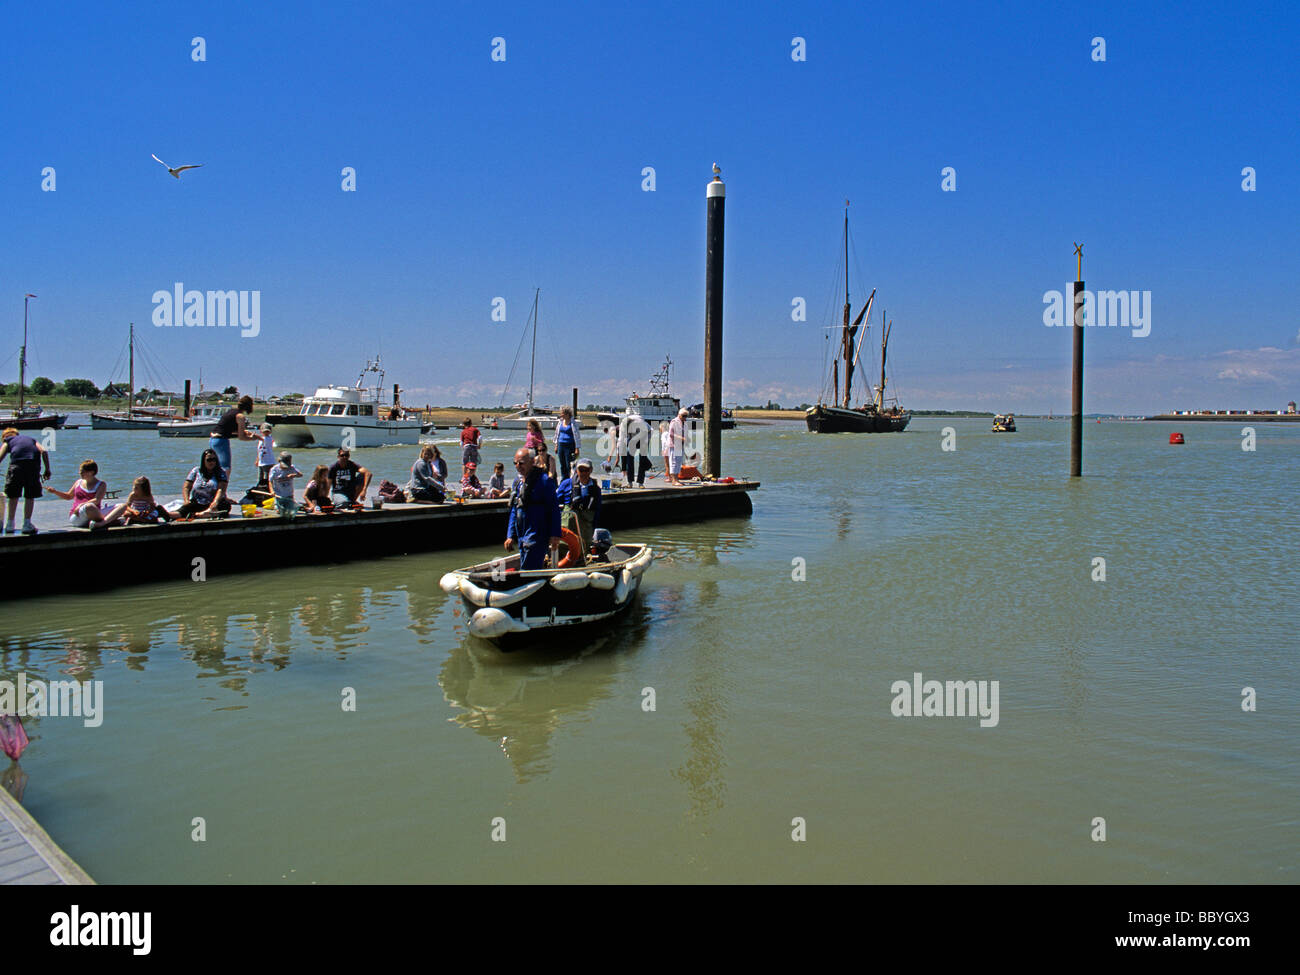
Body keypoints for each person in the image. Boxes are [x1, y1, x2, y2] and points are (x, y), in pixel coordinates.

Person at [504, 447, 561, 570]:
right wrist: (510, 535)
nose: (518, 466)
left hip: (537, 533)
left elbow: (554, 509)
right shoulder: (518, 482)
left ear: (532, 462)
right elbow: (515, 509)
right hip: (522, 534)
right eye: (515, 463)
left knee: (530, 568)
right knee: (526, 563)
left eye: (521, 463)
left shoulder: (544, 481)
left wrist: (555, 535)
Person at [0, 427, 52, 535]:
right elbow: (44, 451)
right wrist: (47, 469)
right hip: (33, 467)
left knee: (13, 495)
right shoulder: (31, 439)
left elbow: (1, 455)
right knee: (30, 496)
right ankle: (27, 524)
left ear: (5, 436)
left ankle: (10, 524)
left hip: (16, 467)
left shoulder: (8, 440)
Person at [557, 457, 602, 563]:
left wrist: (594, 529)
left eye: (586, 470)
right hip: (568, 525)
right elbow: (555, 503)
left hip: (585, 527)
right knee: (562, 548)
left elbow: (597, 511)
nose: (583, 473)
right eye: (581, 470)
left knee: (582, 551)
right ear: (576, 471)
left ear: (590, 470)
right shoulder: (566, 484)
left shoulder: (596, 490)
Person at [209, 395, 263, 480]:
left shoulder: (231, 412)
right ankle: (222, 490)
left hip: (213, 440)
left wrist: (245, 432)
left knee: (216, 467)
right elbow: (241, 437)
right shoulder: (240, 416)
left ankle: (215, 488)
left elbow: (227, 429)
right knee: (226, 468)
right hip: (221, 441)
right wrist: (255, 438)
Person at [47, 459, 109, 528]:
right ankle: (107, 522)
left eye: (83, 471)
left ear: (91, 472)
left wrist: (81, 505)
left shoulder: (101, 484)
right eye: (80, 471)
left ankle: (101, 522)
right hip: (78, 516)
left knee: (121, 506)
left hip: (93, 513)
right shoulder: (78, 482)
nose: (80, 473)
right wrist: (55, 492)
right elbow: (68, 496)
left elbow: (97, 500)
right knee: (89, 506)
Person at [177, 449, 231, 519]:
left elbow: (221, 489)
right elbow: (186, 487)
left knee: (225, 506)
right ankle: (168, 514)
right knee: (186, 508)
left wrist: (215, 502)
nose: (212, 462)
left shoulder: (221, 472)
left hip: (213, 503)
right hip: (198, 502)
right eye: (209, 460)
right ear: (203, 461)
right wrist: (186, 500)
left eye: (214, 459)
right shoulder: (196, 471)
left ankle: (200, 515)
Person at [103, 476, 172, 525]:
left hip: (145, 511)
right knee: (127, 514)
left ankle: (167, 518)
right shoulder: (132, 495)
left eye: (136, 488)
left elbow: (152, 506)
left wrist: (147, 512)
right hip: (136, 511)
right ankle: (140, 520)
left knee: (157, 510)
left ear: (143, 489)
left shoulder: (148, 496)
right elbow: (127, 506)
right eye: (134, 486)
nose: (134, 488)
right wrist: (133, 511)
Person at [621, 414, 651, 487]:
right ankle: (629, 482)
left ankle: (641, 483)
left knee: (642, 458)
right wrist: (623, 468)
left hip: (646, 434)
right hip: (633, 436)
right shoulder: (623, 426)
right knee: (628, 454)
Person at [269, 452, 302, 516]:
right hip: (279, 494)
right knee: (281, 510)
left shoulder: (292, 468)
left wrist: (294, 475)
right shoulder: (274, 469)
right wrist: (272, 491)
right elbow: (270, 481)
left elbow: (300, 474)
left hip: (289, 493)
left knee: (290, 510)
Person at [554, 407, 581, 481]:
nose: (561, 415)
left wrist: (577, 448)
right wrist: (556, 445)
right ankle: (564, 480)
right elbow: (557, 434)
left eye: (562, 413)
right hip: (560, 444)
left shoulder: (573, 423)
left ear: (567, 414)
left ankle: (570, 480)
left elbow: (577, 435)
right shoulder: (560, 422)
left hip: (569, 445)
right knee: (562, 464)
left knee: (568, 464)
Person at [666, 408, 688, 484]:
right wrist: (680, 438)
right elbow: (671, 434)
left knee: (678, 462)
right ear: (679, 415)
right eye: (684, 416)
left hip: (680, 445)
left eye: (686, 416)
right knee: (673, 462)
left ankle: (677, 479)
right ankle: (674, 480)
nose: (685, 417)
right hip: (674, 445)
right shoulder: (674, 422)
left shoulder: (684, 423)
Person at [255, 423, 276, 487]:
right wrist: (257, 460)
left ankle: (269, 489)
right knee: (260, 478)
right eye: (264, 431)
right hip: (261, 462)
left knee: (267, 478)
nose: (266, 433)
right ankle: (260, 488)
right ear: (261, 431)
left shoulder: (269, 438)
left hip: (268, 462)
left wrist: (253, 435)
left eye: (267, 431)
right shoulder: (261, 439)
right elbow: (260, 450)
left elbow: (262, 439)